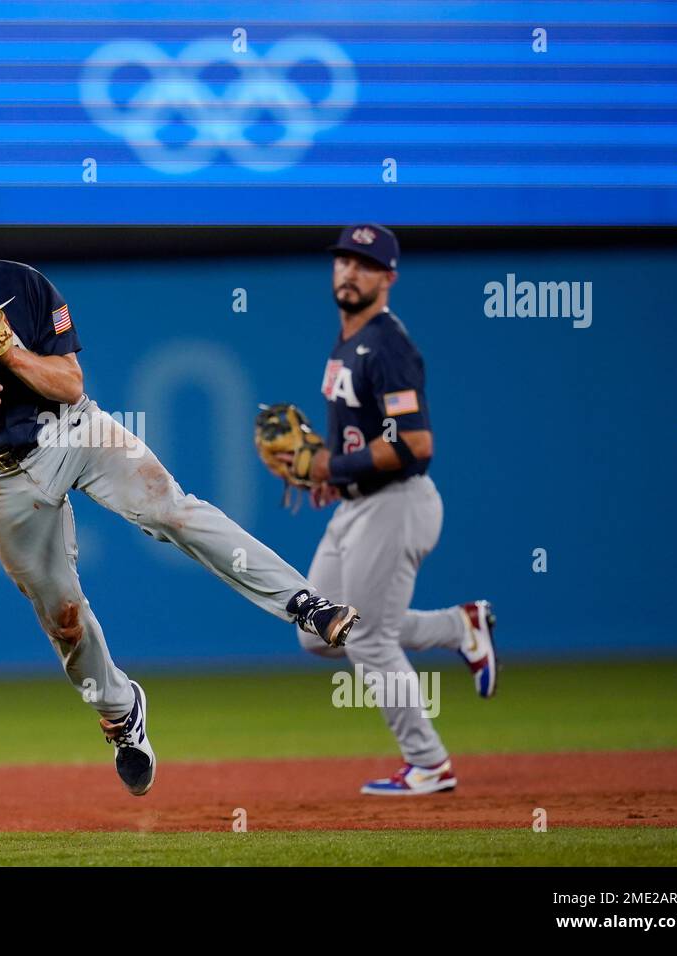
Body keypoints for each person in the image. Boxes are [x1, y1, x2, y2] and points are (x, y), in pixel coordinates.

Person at [0, 187, 359, 797]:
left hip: (76, 430)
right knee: (61, 616)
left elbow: (70, 383)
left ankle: (307, 604)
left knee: (171, 509)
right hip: (0, 473)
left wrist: (7, 349)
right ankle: (122, 713)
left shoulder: (21, 285)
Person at [279, 223, 499, 796]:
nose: (350, 271)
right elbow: (353, 444)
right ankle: (460, 626)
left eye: (365, 264)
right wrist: (335, 476)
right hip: (357, 506)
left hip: (397, 504)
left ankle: (429, 762)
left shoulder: (388, 343)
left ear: (388, 278)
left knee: (369, 638)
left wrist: (331, 467)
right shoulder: (347, 341)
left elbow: (417, 442)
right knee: (319, 632)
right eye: (344, 261)